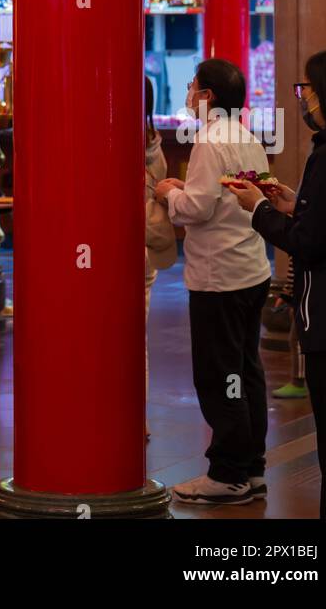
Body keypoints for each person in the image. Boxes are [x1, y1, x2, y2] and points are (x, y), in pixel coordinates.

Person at [228, 46, 326, 519]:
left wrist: (260, 210)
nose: (303, 99)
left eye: (307, 89)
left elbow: (310, 243)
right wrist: (295, 204)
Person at [155, 58, 271, 507]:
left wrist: (170, 193)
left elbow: (198, 208)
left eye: (194, 87)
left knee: (220, 375)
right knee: (247, 371)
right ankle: (252, 467)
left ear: (209, 97)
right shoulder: (246, 135)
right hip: (250, 268)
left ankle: (227, 475)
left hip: (218, 276)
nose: (189, 95)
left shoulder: (208, 141)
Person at [143, 77, 174, 435]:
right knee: (136, 338)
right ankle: (139, 416)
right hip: (146, 252)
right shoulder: (154, 145)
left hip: (119, 251)